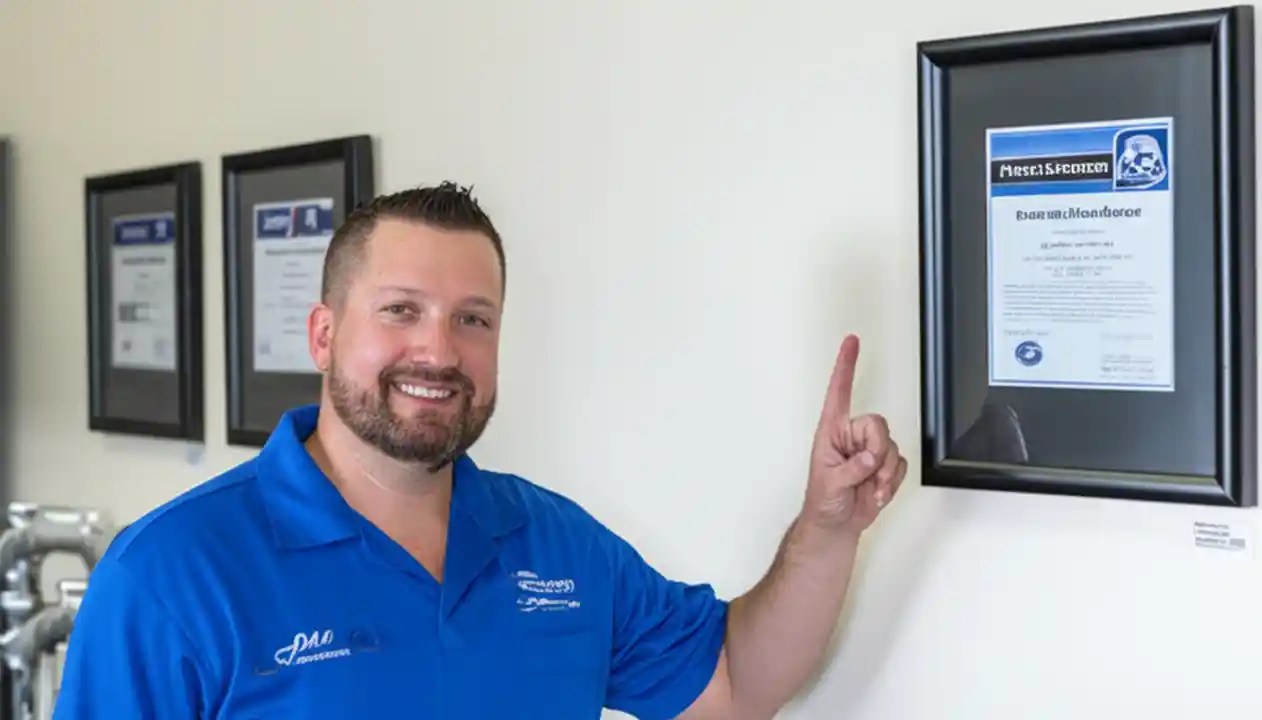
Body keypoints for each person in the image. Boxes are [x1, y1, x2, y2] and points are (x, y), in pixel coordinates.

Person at [53, 183, 906, 719]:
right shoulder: (170, 575)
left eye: (473, 319)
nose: (439, 351)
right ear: (323, 334)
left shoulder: (558, 548)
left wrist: (828, 527)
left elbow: (734, 685)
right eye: (401, 311)